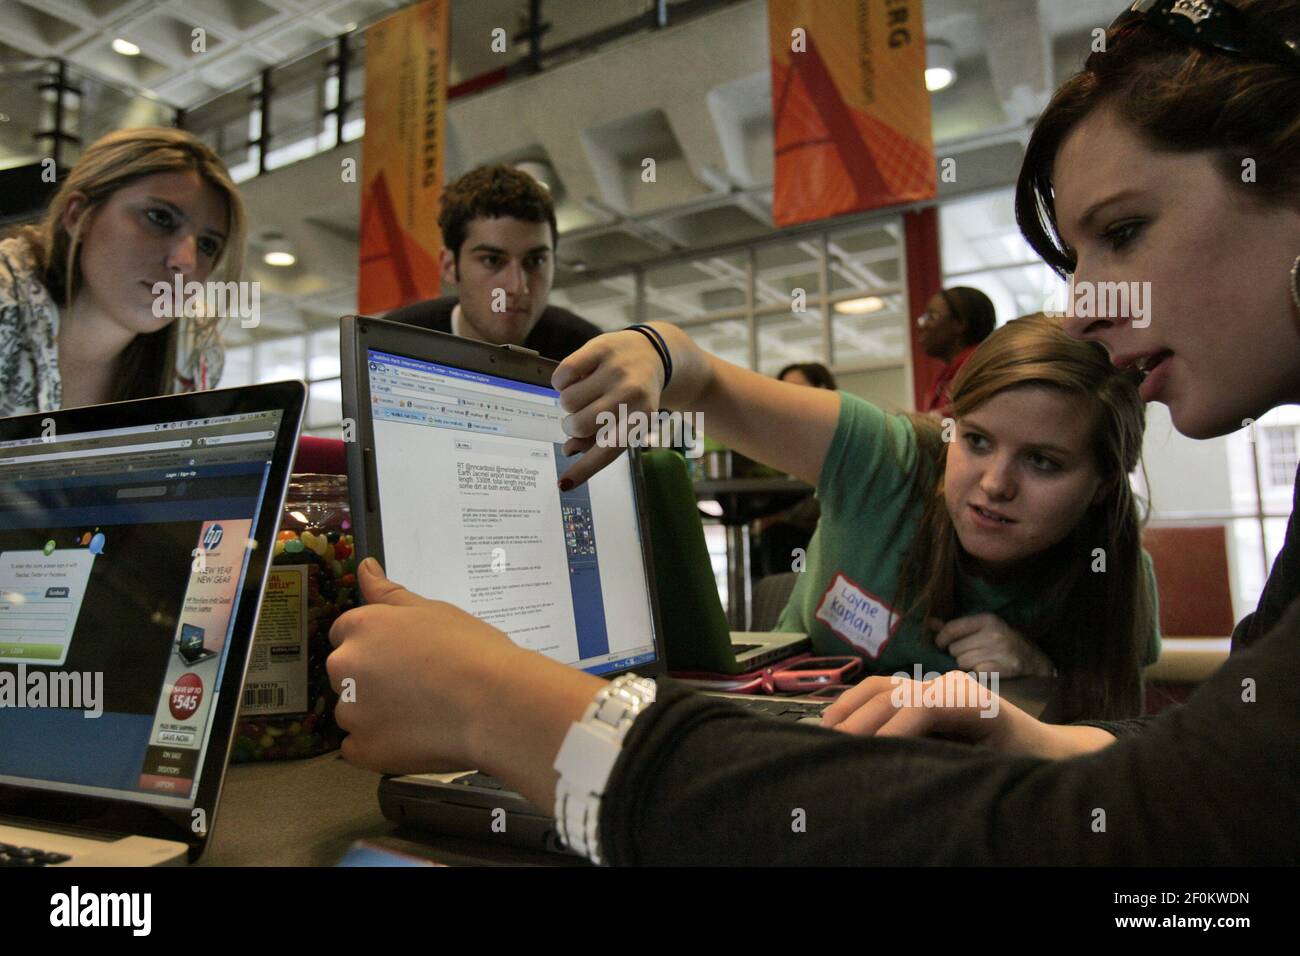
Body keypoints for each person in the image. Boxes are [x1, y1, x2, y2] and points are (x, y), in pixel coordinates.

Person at [327, 0, 1300, 864]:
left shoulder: (1108, 581)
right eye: (974, 438)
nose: (1086, 303)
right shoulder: (901, 458)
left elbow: (1174, 829)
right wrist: (1036, 739)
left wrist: (502, 707)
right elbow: (1202, 789)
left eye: (1124, 230)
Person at [0, 127, 247, 416]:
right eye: (160, 218)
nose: (185, 261)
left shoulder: (195, 352)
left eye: (207, 245)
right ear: (79, 214)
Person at [384, 165, 601, 361]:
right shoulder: (391, 343)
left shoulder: (586, 353)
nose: (517, 287)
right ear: (450, 266)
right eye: (492, 260)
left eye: (536, 260)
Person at [751, 362, 839, 578]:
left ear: (822, 390)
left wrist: (782, 516)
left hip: (822, 530)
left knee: (776, 537)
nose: (787, 395)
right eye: (782, 388)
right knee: (760, 545)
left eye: (797, 387)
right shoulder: (781, 437)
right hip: (794, 529)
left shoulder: (834, 433)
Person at [917, 286, 996, 415]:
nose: (921, 325)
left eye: (931, 317)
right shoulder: (950, 374)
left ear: (960, 323)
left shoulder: (979, 370)